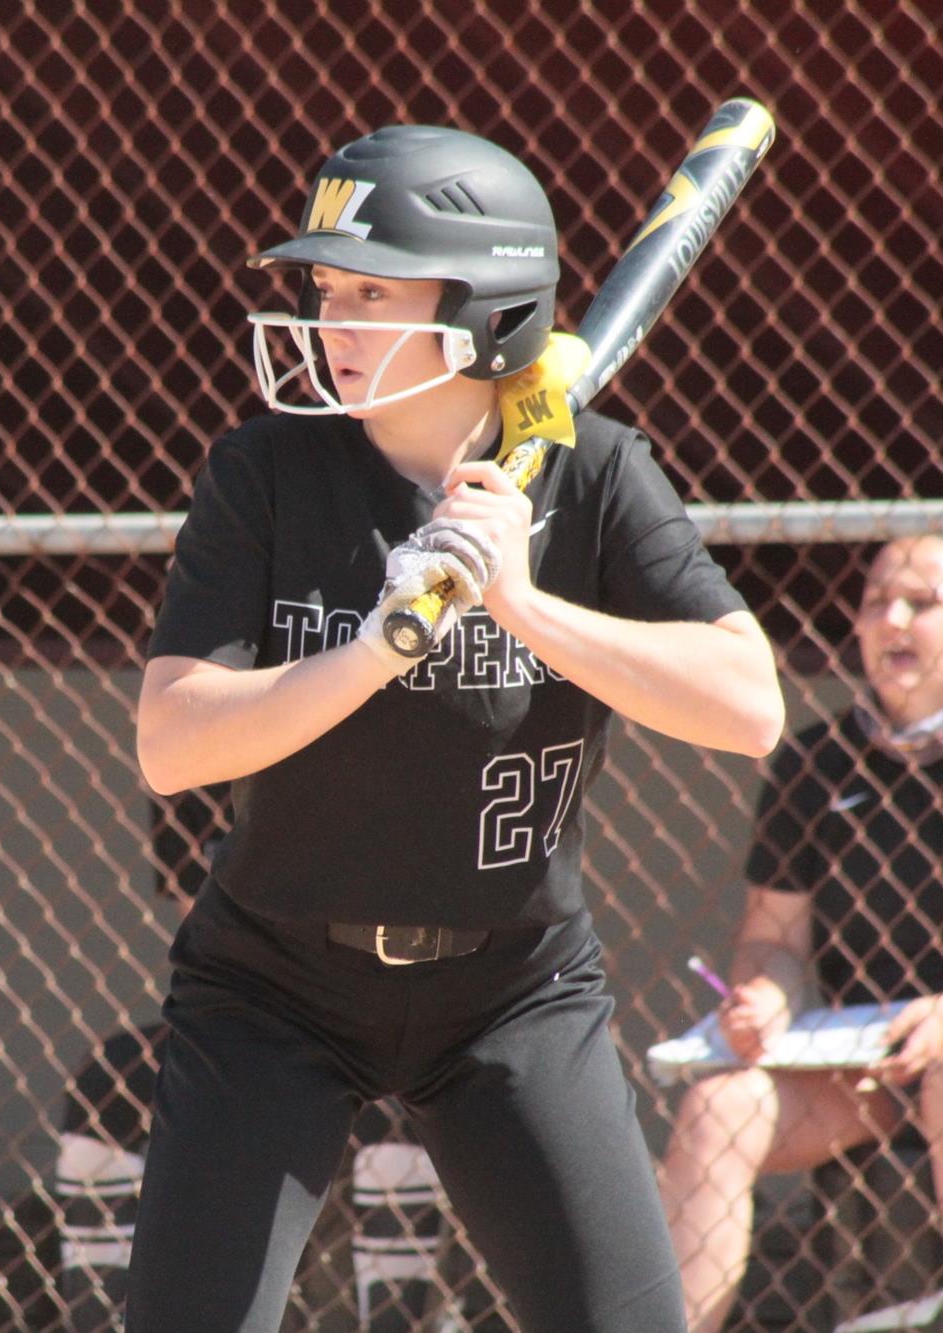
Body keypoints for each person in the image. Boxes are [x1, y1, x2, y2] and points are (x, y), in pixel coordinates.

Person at [128, 124, 785, 1332]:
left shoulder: (589, 474)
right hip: (271, 982)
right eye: (327, 291)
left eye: (370, 292)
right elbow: (171, 741)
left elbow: (749, 705)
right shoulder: (267, 471)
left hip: (511, 985)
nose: (331, 320)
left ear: (487, 312)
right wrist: (379, 643)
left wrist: (521, 606)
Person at [659, 534, 943, 1333]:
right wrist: (764, 998)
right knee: (718, 1109)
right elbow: (773, 937)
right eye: (877, 600)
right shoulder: (817, 764)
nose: (893, 619)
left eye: (922, 603)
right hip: (868, 1060)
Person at [54, 787, 464, 1332]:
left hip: (386, 1014)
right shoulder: (200, 746)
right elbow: (206, 925)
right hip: (255, 1017)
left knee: (395, 1103)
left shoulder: (366, 734)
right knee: (109, 1077)